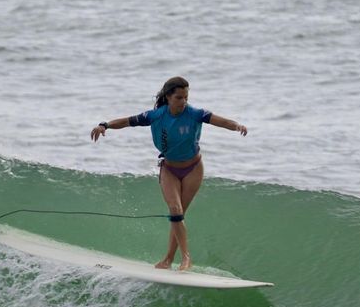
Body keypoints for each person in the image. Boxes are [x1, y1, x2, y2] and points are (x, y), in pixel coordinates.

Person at [90, 76, 248, 271]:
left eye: (186, 97)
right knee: (175, 211)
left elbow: (221, 121)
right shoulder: (156, 115)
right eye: (179, 97)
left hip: (193, 168)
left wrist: (237, 126)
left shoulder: (195, 114)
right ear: (168, 97)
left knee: (178, 215)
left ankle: (182, 259)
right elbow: (127, 121)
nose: (183, 102)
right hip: (169, 169)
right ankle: (171, 259)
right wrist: (104, 125)